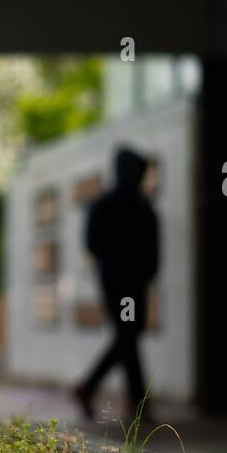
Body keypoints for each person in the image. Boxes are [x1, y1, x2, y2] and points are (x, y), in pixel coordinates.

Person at [72, 146, 160, 422]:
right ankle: (136, 401)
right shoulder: (107, 206)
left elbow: (153, 251)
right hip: (118, 284)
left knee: (128, 338)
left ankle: (91, 389)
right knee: (128, 337)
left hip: (132, 284)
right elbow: (94, 243)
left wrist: (142, 273)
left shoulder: (142, 208)